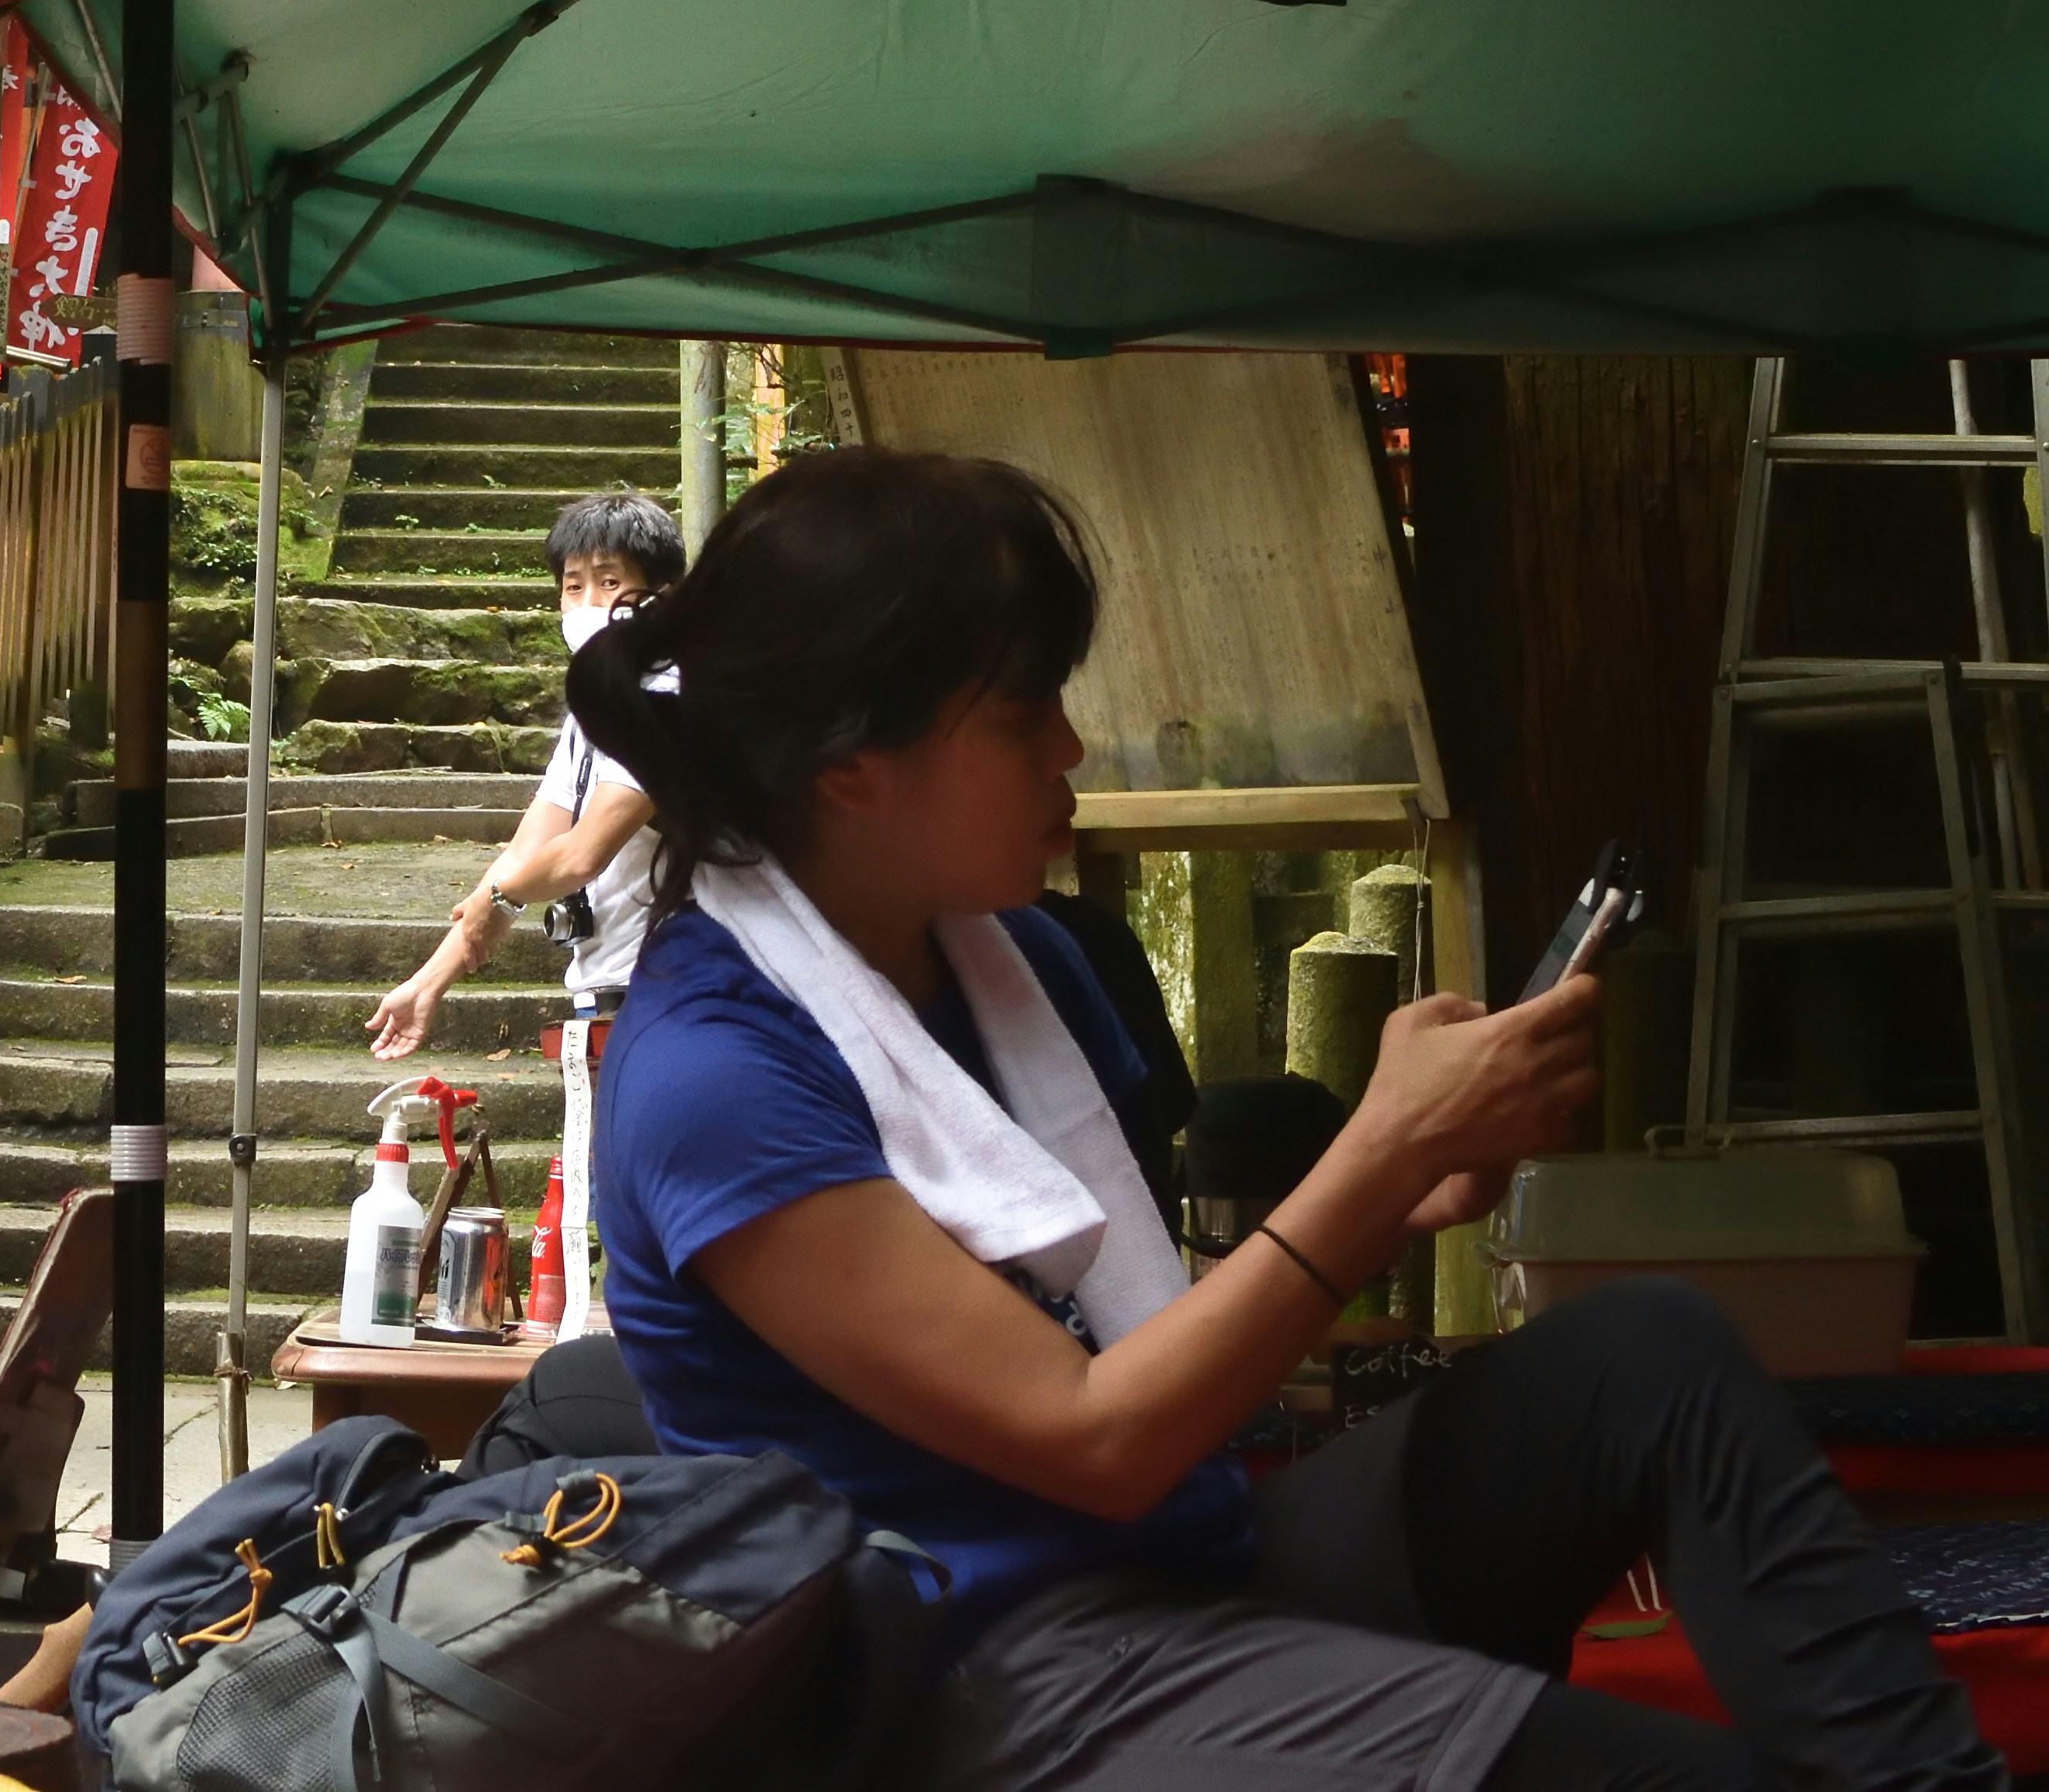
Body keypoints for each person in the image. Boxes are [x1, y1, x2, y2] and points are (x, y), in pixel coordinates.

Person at [574, 447, 1997, 1792]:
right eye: (1022, 714)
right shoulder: (715, 1074)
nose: (1072, 745)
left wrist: (1405, 1171)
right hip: (974, 1686)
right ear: (846, 763)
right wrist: (1374, 1155)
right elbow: (1095, 1430)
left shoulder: (1025, 963)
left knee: (1648, 1357)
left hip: (1173, 1559)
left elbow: (1133, 1324)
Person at [365, 489, 679, 1339]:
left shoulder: (663, 692)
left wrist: (505, 899)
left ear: (658, 596)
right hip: (610, 990)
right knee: (615, 1206)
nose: (585, 605)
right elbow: (525, 848)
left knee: (652, 1211)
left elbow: (578, 856)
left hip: (678, 990)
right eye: (570, 585)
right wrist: (431, 975)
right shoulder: (594, 709)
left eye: (607, 581)